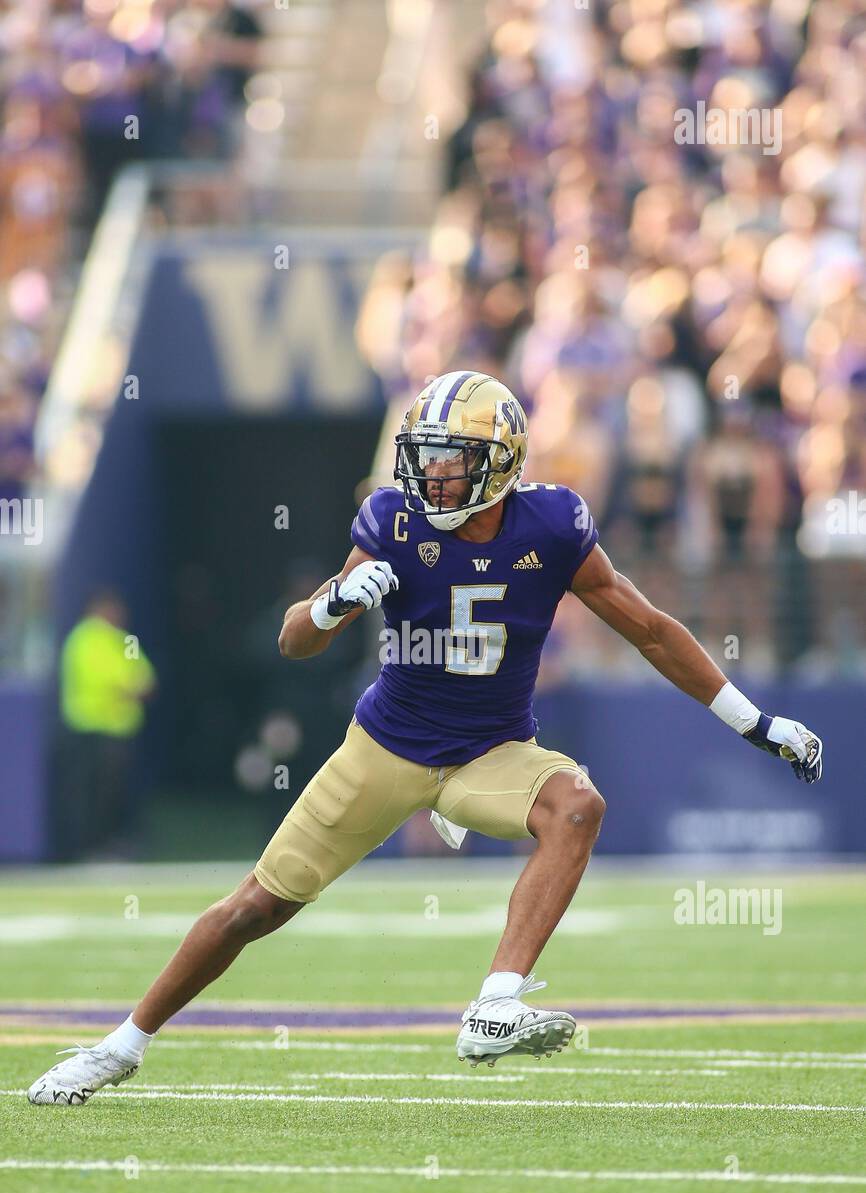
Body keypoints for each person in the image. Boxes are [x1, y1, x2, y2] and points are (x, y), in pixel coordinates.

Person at [27, 371, 822, 1104]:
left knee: (577, 804)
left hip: (492, 753)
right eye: (427, 457)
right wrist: (335, 602)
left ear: (501, 462)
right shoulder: (391, 521)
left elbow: (649, 630)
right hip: (386, 750)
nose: (433, 474)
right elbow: (291, 641)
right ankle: (120, 1045)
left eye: (452, 459)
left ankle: (495, 1005)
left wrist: (754, 721)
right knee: (254, 909)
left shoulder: (553, 522)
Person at [54, 591, 156, 860]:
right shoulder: (86, 637)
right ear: (98, 609)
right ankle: (89, 849)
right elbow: (113, 680)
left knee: (115, 793)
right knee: (91, 795)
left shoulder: (121, 638)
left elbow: (145, 677)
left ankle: (110, 846)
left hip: (119, 731)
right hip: (91, 729)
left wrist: (135, 685)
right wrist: (131, 686)